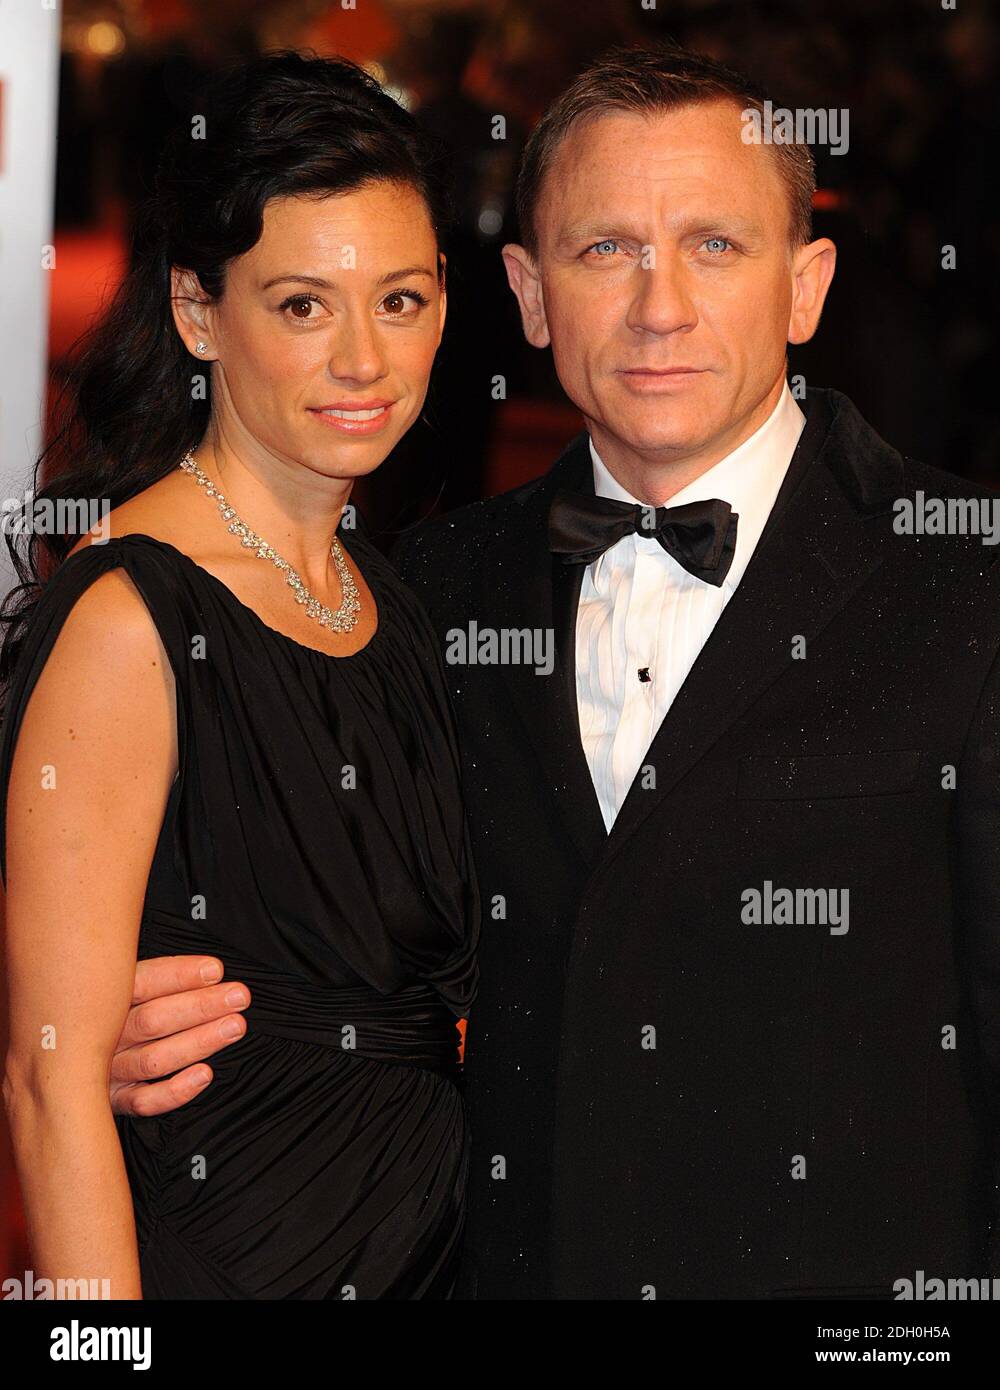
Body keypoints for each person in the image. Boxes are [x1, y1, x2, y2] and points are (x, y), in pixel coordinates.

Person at [76, 41, 1000, 1299]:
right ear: (526, 292)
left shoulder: (965, 587)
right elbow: (334, 948)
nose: (656, 304)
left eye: (713, 247)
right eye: (602, 248)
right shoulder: (416, 594)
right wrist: (133, 1034)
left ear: (807, 285)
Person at [0, 50, 479, 1300]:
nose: (366, 361)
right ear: (199, 313)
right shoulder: (129, 613)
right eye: (303, 305)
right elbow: (50, 1085)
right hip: (227, 1261)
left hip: (427, 1256)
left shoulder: (401, 608)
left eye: (403, 299)